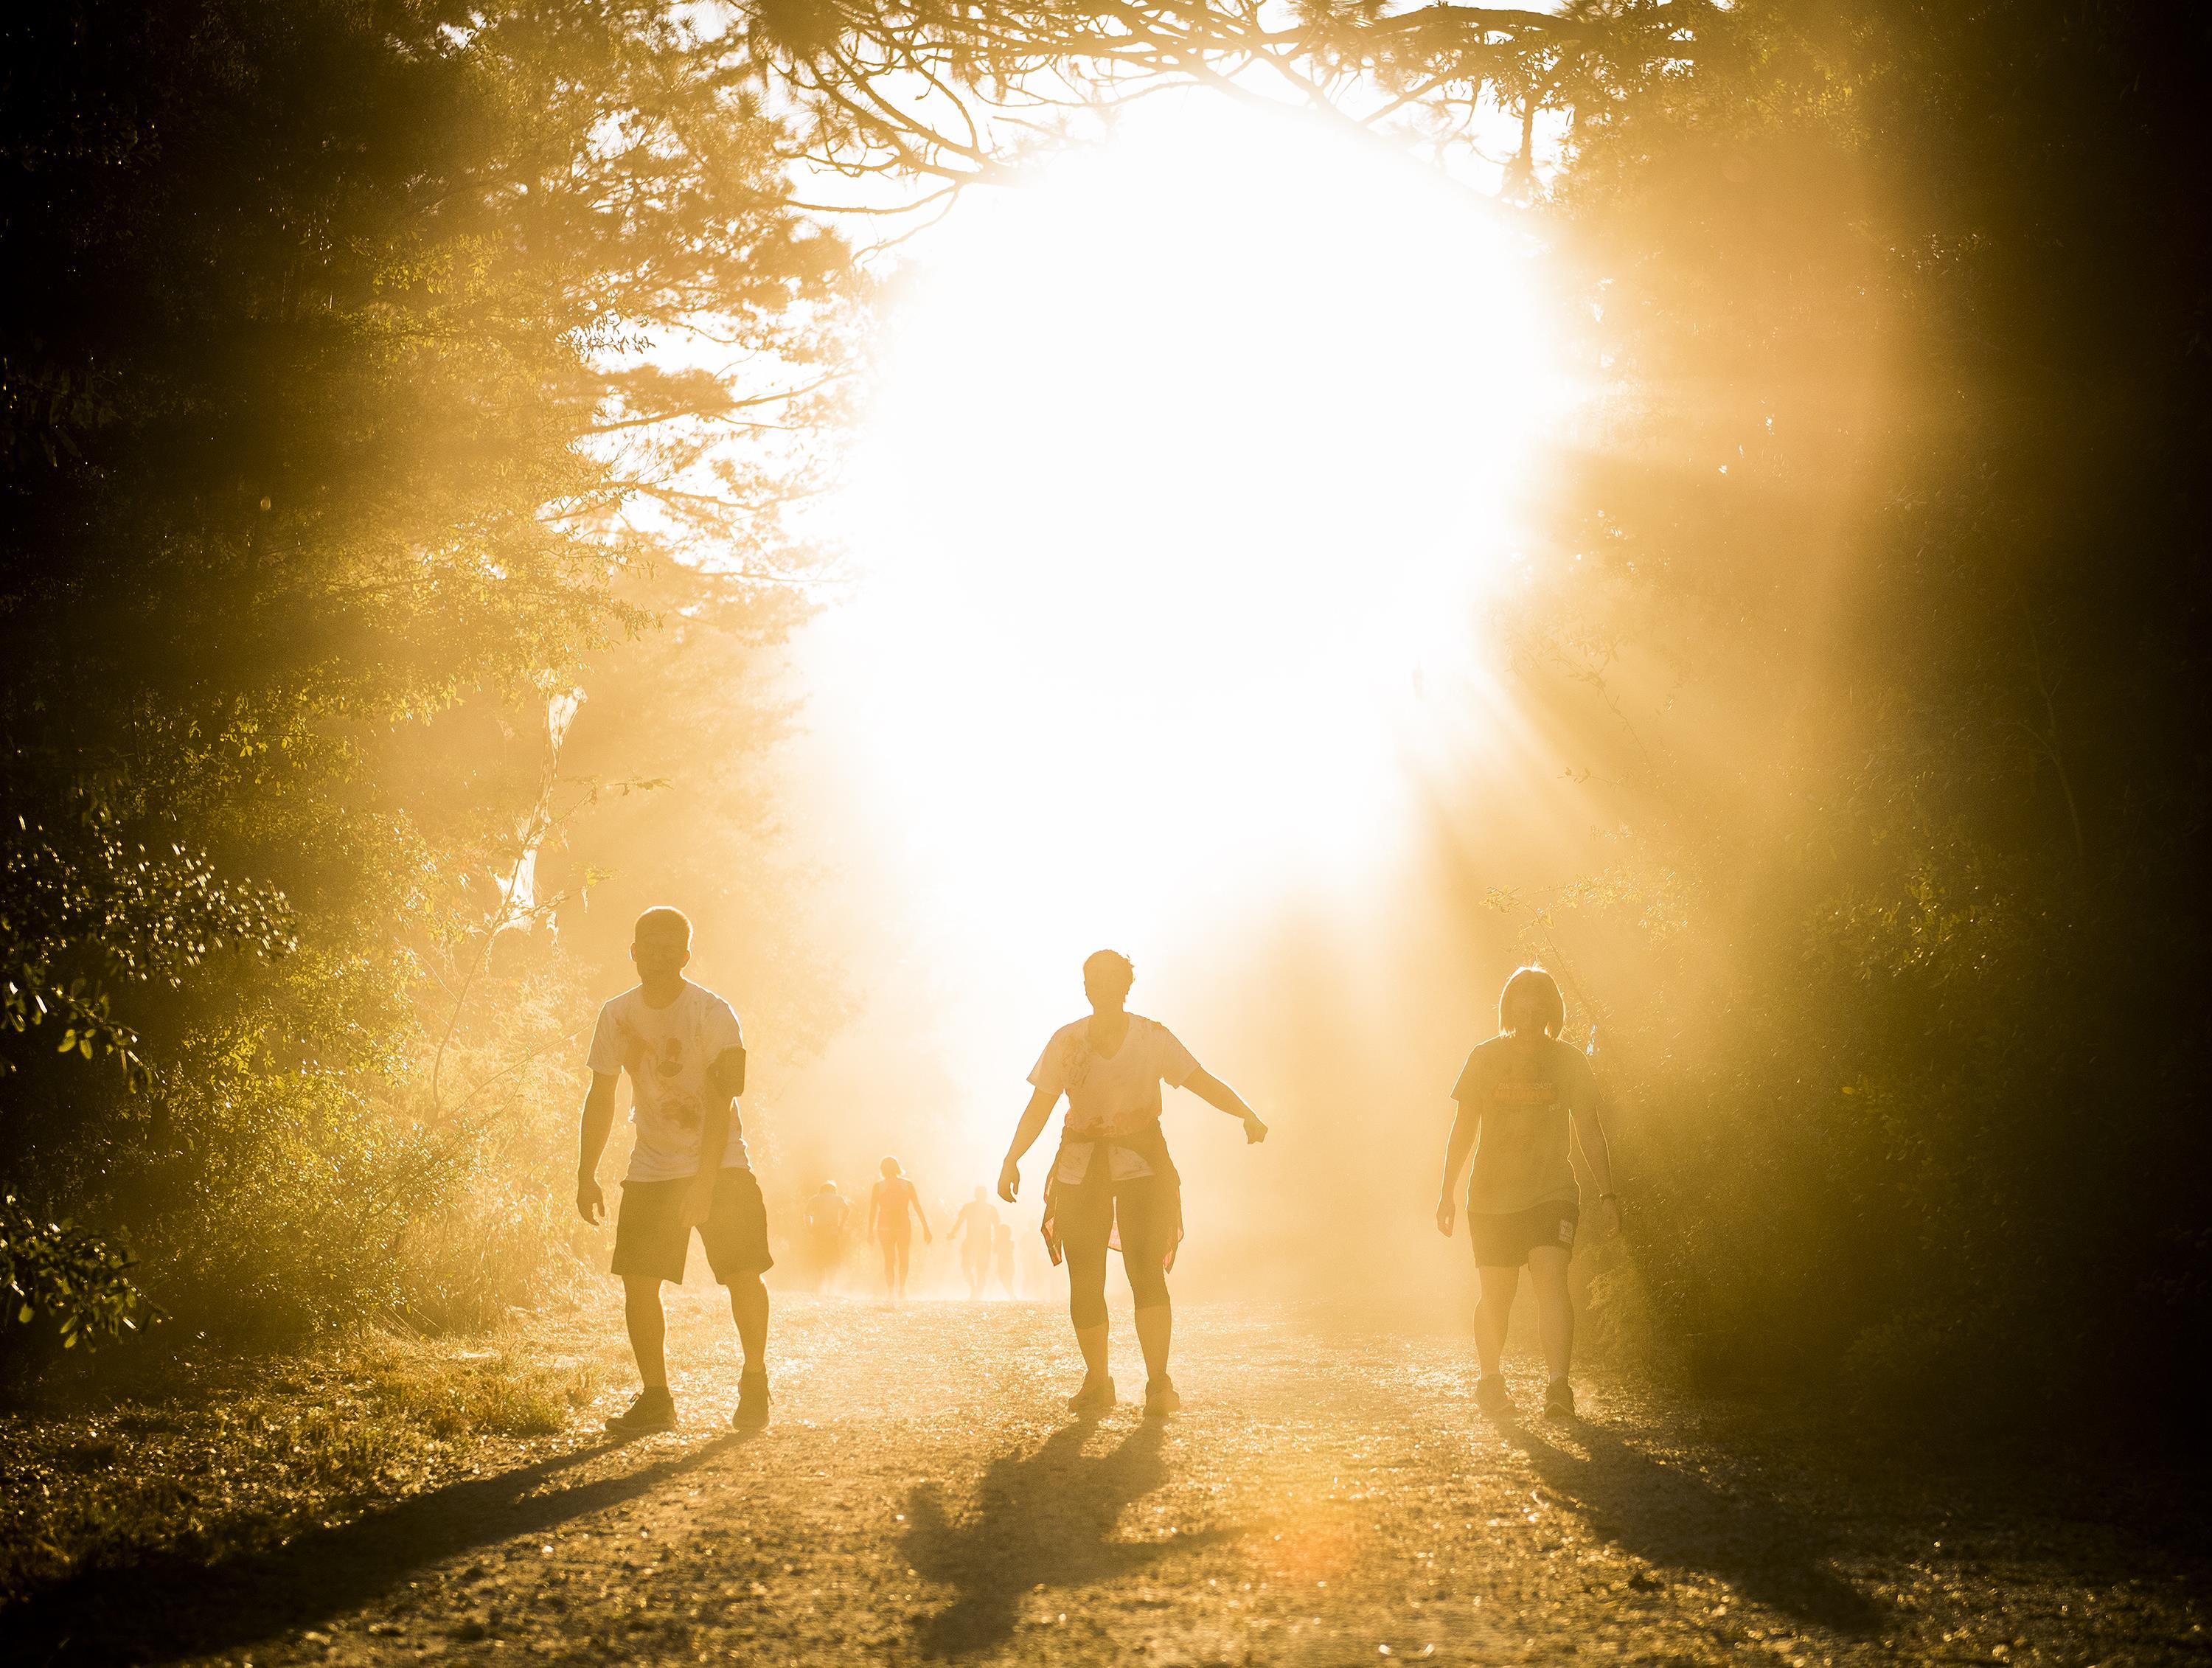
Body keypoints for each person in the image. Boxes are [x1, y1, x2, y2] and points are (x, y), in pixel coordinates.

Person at [998, 949, 1269, 1417]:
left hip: (1142, 1166)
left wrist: (1246, 1112)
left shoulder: (1152, 1037)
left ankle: (1158, 1384)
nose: (1100, 987)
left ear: (1126, 986)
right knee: (1085, 1280)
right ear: (1084, 987)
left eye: (1110, 979)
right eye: (1092, 980)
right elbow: (1040, 1106)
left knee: (1145, 1273)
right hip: (1080, 1169)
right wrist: (1011, 1158)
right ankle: (1098, 1381)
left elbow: (1201, 1080)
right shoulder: (1066, 1041)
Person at [577, 907, 773, 1435]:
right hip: (652, 1165)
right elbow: (602, 1096)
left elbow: (718, 1100)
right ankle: (657, 1398)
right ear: (633, 952)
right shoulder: (616, 1014)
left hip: (722, 1160)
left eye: (672, 948)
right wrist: (585, 1173)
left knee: (741, 1273)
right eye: (650, 946)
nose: (660, 956)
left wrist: (705, 1185)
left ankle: (754, 1380)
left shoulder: (713, 1013)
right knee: (638, 1283)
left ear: (686, 956)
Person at [1434, 965, 1621, 1420]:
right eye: (1520, 998)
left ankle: (1559, 1388)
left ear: (1551, 1010)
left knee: (1552, 1282)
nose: (1529, 1008)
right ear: (1508, 1006)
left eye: (1539, 1000)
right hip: (1492, 1196)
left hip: (1552, 1191)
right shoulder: (1483, 1058)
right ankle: (1490, 1382)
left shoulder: (1570, 1061)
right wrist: (1446, 1193)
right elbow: (1463, 1129)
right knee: (1496, 1294)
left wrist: (1608, 1195)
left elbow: (1591, 1131)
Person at [869, 1156, 931, 1297]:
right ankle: (902, 1288)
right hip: (903, 1223)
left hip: (884, 1224)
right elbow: (917, 1206)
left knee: (889, 1258)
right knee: (904, 1256)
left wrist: (870, 1231)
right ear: (898, 1168)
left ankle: (891, 1290)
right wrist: (925, 1228)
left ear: (882, 1170)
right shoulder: (907, 1184)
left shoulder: (878, 1187)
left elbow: (873, 1210)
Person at [953, 1186, 1001, 1299]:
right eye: (979, 1193)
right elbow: (959, 1221)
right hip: (972, 1241)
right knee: (967, 1268)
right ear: (976, 1195)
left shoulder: (991, 1209)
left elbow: (997, 1226)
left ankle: (978, 1294)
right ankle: (974, 1289)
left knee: (981, 1269)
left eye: (982, 1194)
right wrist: (953, 1233)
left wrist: (998, 1241)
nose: (980, 1195)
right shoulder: (968, 1208)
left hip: (984, 1242)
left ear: (985, 1195)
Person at [802, 1181, 849, 1292]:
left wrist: (809, 1226)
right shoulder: (837, 1199)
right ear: (833, 1191)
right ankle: (831, 1286)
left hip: (818, 1231)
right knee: (832, 1257)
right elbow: (847, 1210)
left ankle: (819, 1284)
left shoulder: (815, 1199)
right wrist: (841, 1225)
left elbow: (806, 1213)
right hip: (832, 1231)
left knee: (819, 1256)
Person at [992, 1220, 1018, 1299]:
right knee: (1006, 1280)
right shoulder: (1007, 1242)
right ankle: (1012, 1295)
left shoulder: (1008, 1242)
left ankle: (1012, 1295)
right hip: (1005, 1263)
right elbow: (995, 1251)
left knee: (1007, 1280)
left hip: (1006, 1263)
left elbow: (996, 1251)